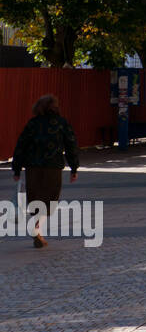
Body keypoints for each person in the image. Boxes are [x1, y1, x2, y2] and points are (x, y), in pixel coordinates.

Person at [11, 94, 79, 248]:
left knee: (35, 199)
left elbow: (21, 146)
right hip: (52, 167)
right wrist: (74, 167)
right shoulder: (61, 124)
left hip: (32, 168)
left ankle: (36, 229)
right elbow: (71, 146)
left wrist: (16, 169)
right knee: (49, 200)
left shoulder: (32, 124)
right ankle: (36, 229)